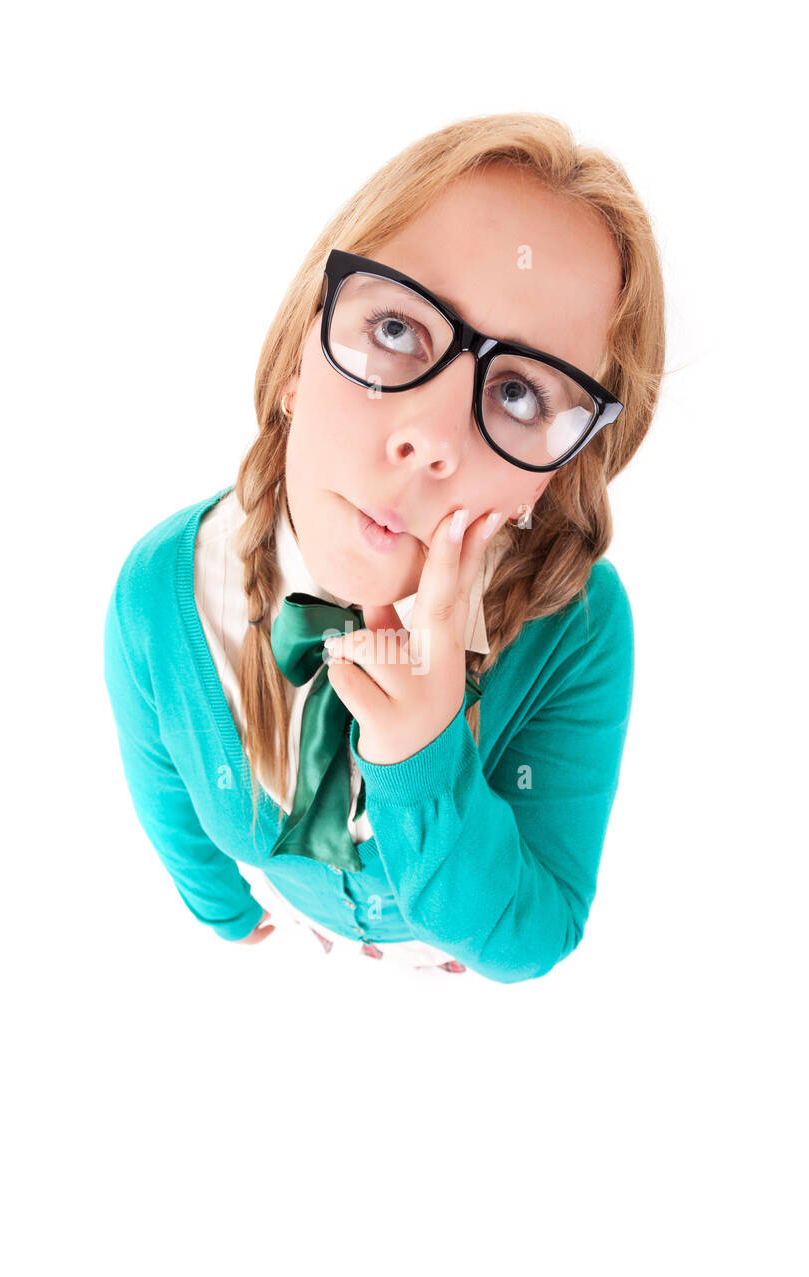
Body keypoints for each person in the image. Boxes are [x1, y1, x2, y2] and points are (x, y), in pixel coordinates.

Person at [103, 111, 665, 984]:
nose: (431, 437)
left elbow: (536, 930)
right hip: (294, 952)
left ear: (546, 482)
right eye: (397, 330)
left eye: (519, 393)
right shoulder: (156, 594)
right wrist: (224, 913)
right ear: (301, 352)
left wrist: (427, 760)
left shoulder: (582, 626)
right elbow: (166, 797)